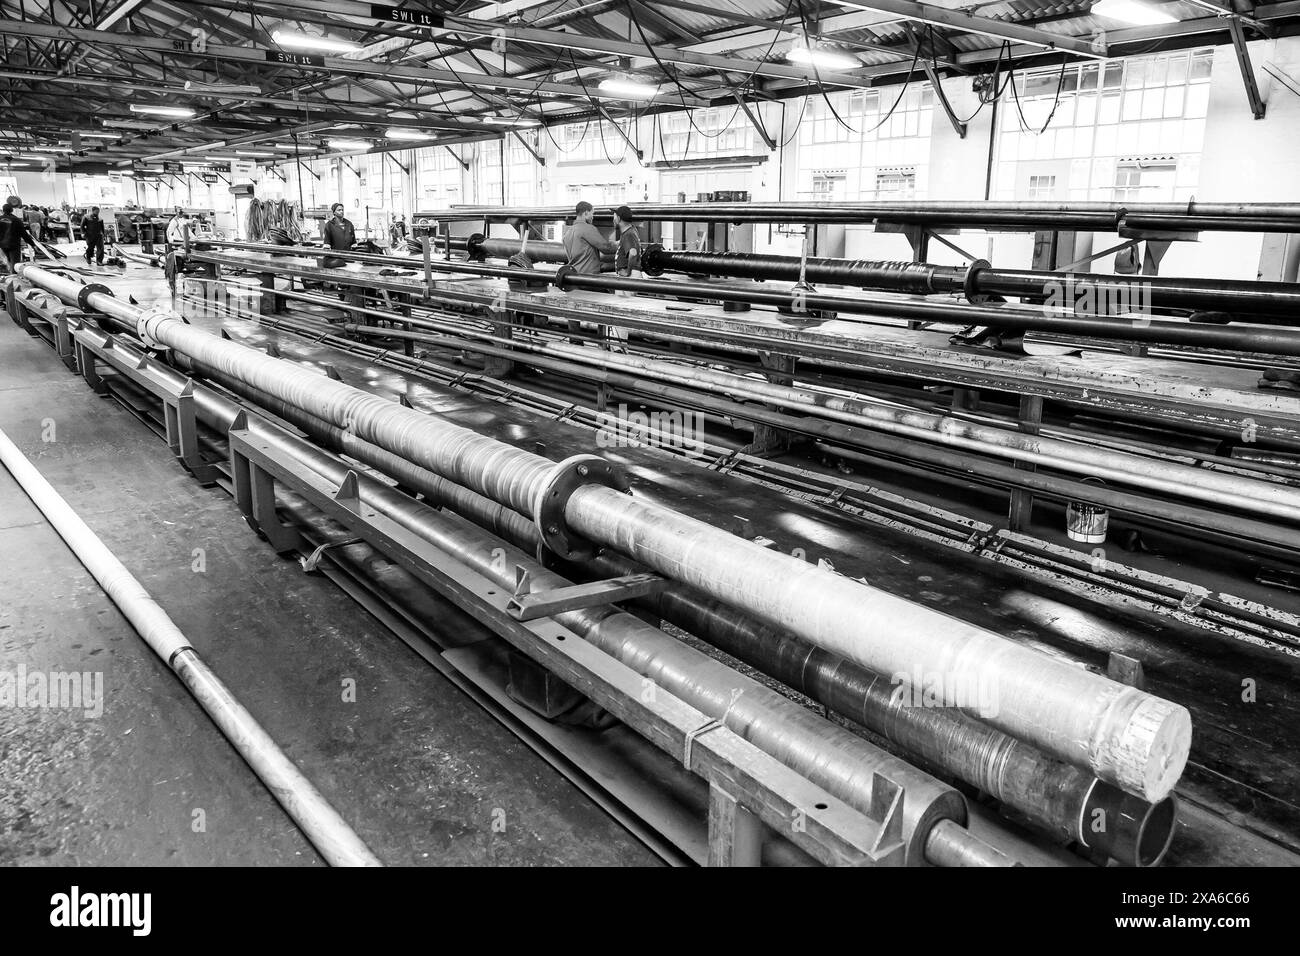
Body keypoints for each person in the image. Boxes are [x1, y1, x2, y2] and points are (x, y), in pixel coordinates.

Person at [562, 200, 614, 276]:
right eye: (592, 214)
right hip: (589, 278)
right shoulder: (588, 228)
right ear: (586, 213)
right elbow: (606, 248)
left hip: (574, 276)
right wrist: (622, 246)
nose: (592, 217)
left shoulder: (567, 233)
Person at [0, 203, 37, 274]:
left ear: (3, 210)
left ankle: (9, 276)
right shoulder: (16, 220)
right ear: (12, 210)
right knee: (15, 264)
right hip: (13, 245)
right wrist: (32, 244)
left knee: (7, 262)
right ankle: (14, 278)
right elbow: (24, 234)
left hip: (2, 245)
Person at [321, 202, 355, 268]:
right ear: (334, 212)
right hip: (336, 258)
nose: (341, 211)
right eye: (339, 210)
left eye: (342, 210)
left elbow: (353, 242)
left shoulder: (349, 224)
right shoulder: (329, 225)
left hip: (349, 258)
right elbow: (327, 243)